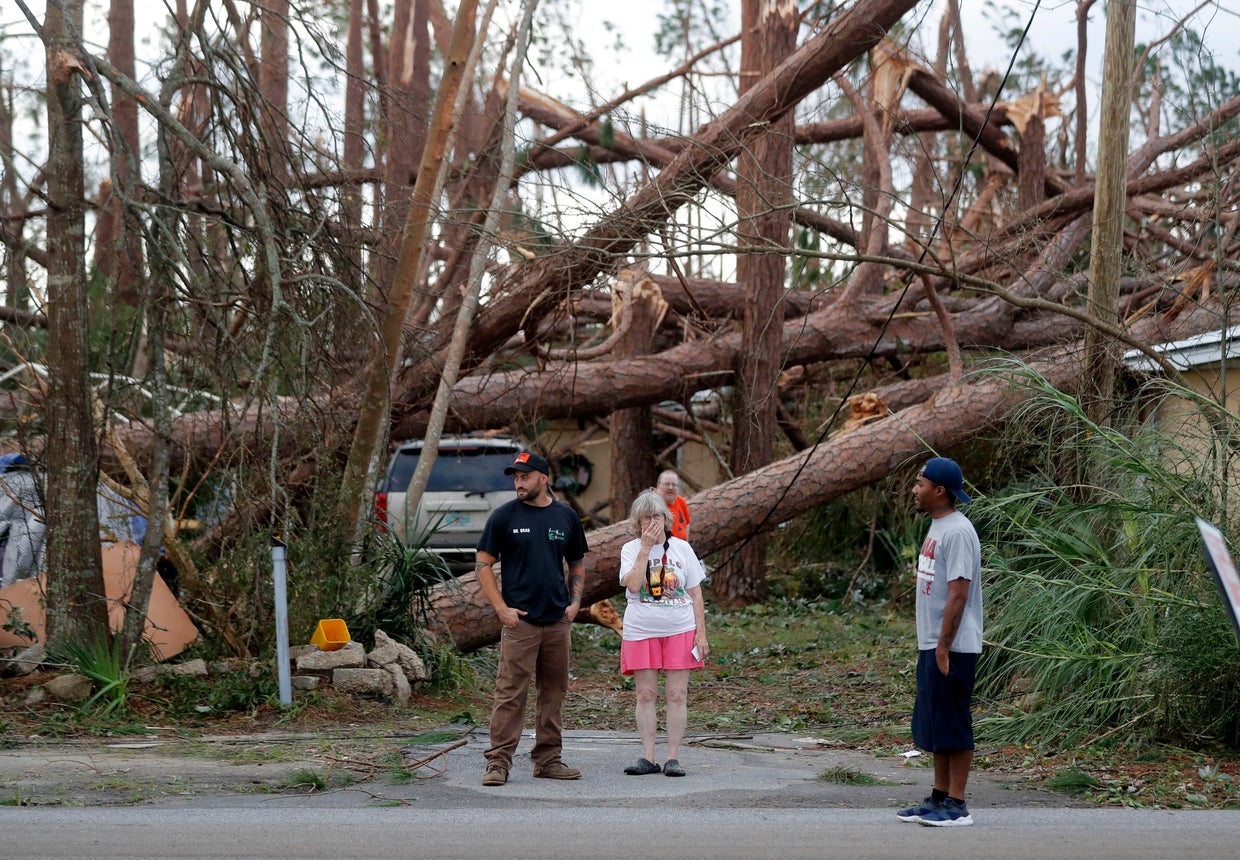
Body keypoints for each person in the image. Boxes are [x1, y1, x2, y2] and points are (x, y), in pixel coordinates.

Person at [476, 451, 589, 786]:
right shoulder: (504, 517)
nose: (518, 483)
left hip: (556, 622)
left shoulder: (565, 517)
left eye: (524, 476)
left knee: (554, 692)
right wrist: (501, 609)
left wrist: (574, 604)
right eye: (515, 477)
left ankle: (548, 759)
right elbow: (483, 565)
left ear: (543, 478)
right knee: (510, 693)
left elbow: (578, 564)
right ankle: (498, 762)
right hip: (520, 623)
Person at [897, 457, 983, 827]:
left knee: (953, 724)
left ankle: (958, 804)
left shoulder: (958, 532)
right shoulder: (938, 527)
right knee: (934, 725)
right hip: (932, 643)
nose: (915, 490)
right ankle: (938, 797)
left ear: (940, 491)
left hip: (954, 647)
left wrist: (944, 647)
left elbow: (959, 595)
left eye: (920, 483)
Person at [617, 489, 709, 777]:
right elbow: (632, 585)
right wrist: (645, 548)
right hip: (640, 629)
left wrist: (701, 634)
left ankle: (672, 757)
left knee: (677, 693)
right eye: (645, 518)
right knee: (645, 694)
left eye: (655, 516)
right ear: (637, 521)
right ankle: (648, 757)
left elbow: (696, 594)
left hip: (680, 628)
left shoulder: (682, 548)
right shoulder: (630, 549)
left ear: (666, 518)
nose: (651, 522)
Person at [656, 469, 691, 541]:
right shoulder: (654, 505)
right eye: (667, 484)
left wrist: (686, 544)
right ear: (658, 486)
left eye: (674, 484)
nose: (670, 488)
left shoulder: (681, 501)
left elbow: (687, 523)